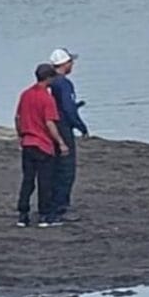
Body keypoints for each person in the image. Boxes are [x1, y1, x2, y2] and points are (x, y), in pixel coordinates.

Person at [15, 63, 70, 227]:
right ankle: (45, 216)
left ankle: (22, 215)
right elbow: (49, 123)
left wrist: (21, 135)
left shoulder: (25, 94)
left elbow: (17, 117)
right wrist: (61, 143)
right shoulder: (47, 98)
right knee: (45, 181)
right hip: (43, 145)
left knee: (28, 180)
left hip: (27, 143)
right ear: (48, 78)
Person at [47, 48, 88, 221]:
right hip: (62, 127)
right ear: (65, 64)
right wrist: (80, 125)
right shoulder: (64, 83)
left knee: (53, 167)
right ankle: (60, 207)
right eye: (71, 62)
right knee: (66, 169)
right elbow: (67, 108)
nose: (72, 65)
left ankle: (50, 204)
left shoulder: (49, 82)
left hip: (50, 127)